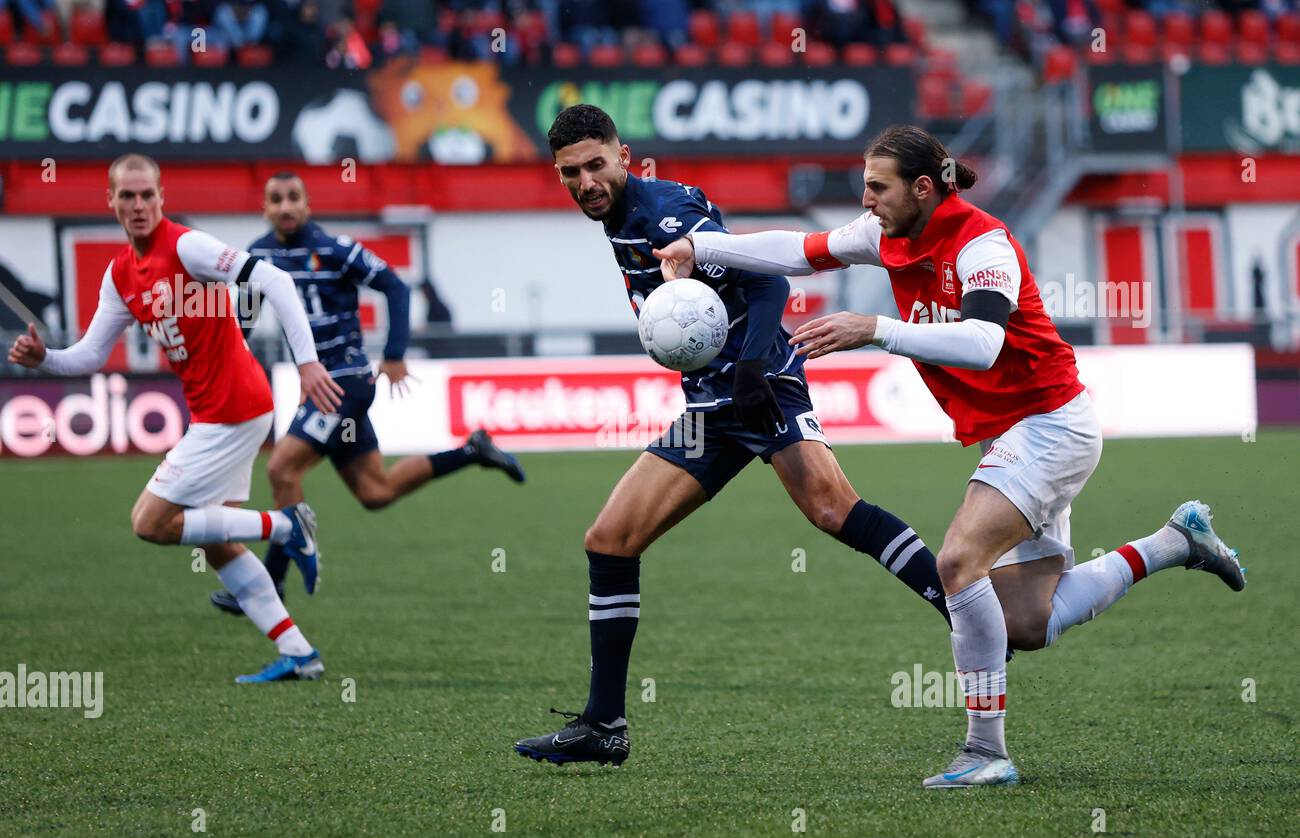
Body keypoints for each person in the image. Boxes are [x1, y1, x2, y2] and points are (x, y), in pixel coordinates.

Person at [656, 124, 1247, 787]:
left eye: (878, 187)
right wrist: (699, 244)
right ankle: (1173, 542)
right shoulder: (884, 234)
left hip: (1051, 425)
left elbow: (985, 342)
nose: (867, 199)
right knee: (1028, 622)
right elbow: (796, 250)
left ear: (923, 188)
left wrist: (875, 329)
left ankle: (985, 754)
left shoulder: (981, 243)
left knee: (959, 561)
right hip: (1018, 431)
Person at [514, 105, 953, 767]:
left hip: (761, 385)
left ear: (623, 156)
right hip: (709, 408)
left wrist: (751, 367)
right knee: (609, 542)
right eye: (570, 173)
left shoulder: (666, 215)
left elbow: (766, 277)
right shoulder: (615, 218)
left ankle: (966, 609)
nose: (585, 182)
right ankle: (604, 726)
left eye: (595, 166)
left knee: (833, 509)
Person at [7, 153, 344, 684]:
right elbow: (91, 356)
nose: (139, 205)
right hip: (218, 411)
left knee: (149, 522)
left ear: (162, 197)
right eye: (127, 196)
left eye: (147, 195)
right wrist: (43, 359)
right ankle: (301, 655)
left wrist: (307, 364)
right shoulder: (121, 275)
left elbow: (277, 281)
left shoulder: (187, 246)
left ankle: (285, 525)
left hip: (232, 409)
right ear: (111, 202)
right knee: (214, 541)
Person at [209, 171, 525, 617]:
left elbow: (394, 286)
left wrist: (394, 353)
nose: (284, 206)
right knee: (376, 491)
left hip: (345, 382)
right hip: (319, 386)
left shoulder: (337, 250)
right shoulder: (257, 258)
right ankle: (472, 451)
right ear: (264, 207)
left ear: (307, 204)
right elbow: (241, 324)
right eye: (275, 199)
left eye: (292, 197)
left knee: (282, 469)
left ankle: (271, 586)